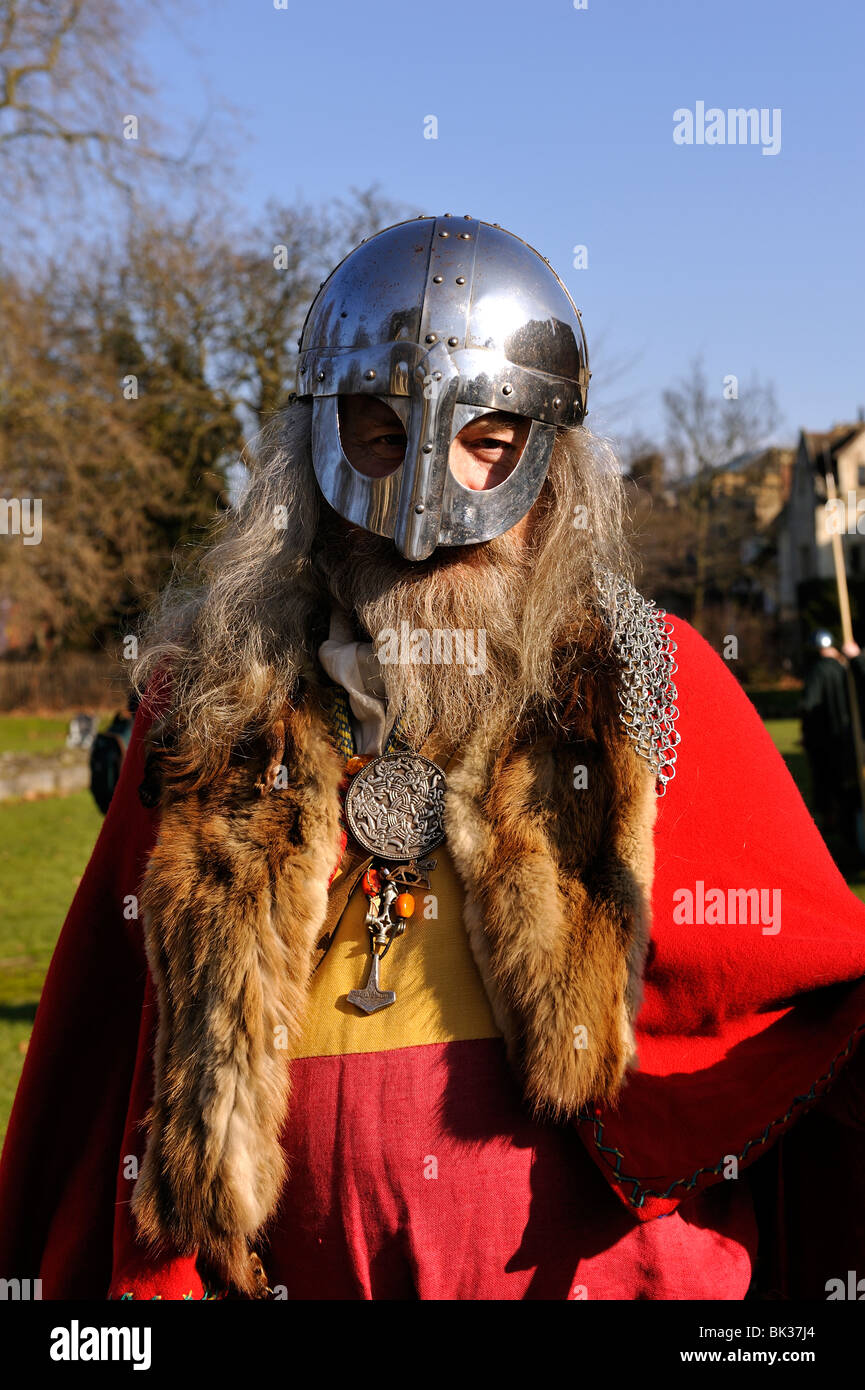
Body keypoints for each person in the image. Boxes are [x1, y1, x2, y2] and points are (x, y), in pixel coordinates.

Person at [2, 215, 865, 1301]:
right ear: (314, 451)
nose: (428, 508)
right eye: (380, 436)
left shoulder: (651, 681)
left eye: (487, 443)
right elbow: (95, 1057)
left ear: (550, 465)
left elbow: (805, 983)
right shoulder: (216, 704)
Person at [801, 629, 865, 863]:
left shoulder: (820, 671)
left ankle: (842, 837)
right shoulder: (844, 668)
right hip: (850, 739)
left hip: (831, 741)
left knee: (835, 790)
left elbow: (810, 705)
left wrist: (807, 733)